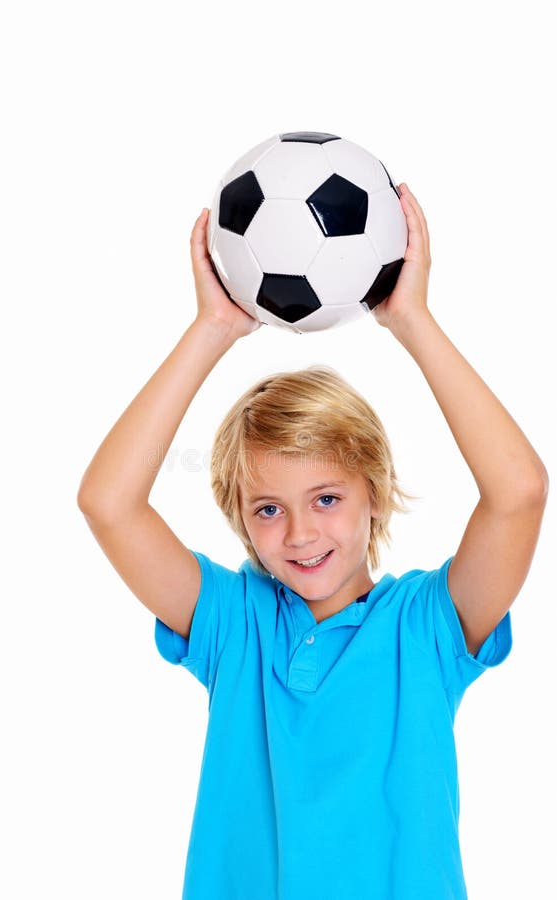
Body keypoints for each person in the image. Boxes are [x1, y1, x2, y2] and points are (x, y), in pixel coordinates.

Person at [77, 185, 548, 900]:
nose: (299, 534)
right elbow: (108, 503)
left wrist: (412, 320)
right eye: (268, 508)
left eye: (326, 499)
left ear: (374, 493)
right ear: (239, 517)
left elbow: (519, 493)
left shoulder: (425, 629)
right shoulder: (235, 624)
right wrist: (212, 329)